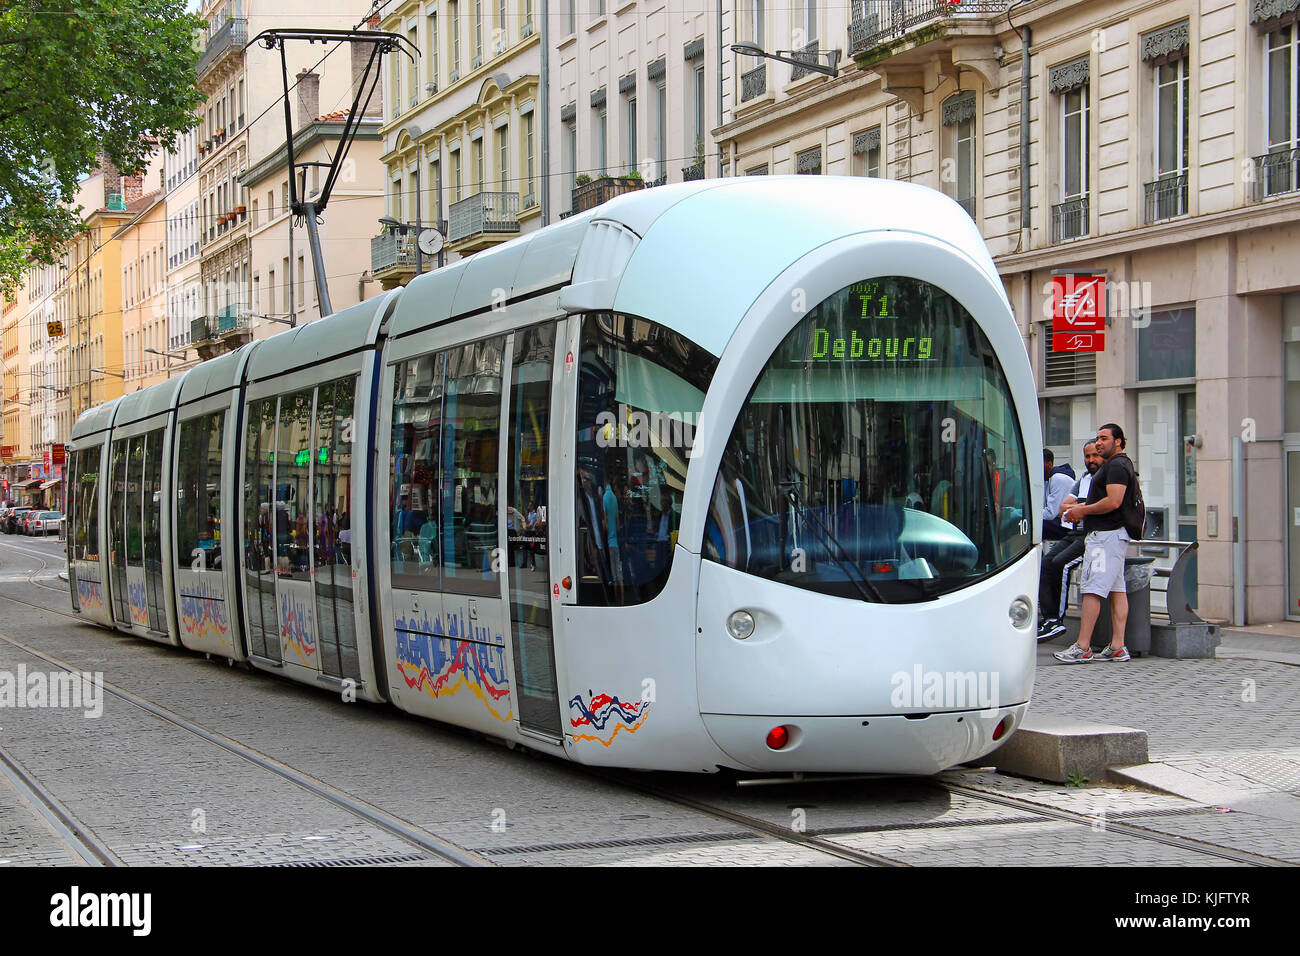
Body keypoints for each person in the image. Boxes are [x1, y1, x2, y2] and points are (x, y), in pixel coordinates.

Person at [1054, 424, 1137, 663]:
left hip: (1105, 536)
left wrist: (1082, 511)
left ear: (1118, 441)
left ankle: (1083, 646)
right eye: (1097, 438)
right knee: (1116, 589)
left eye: (1104, 438)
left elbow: (1113, 501)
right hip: (1111, 536)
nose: (1098, 443)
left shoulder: (1117, 466)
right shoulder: (1119, 465)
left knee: (1091, 588)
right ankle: (1118, 645)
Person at [1038, 441, 1102, 640]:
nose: (1090, 460)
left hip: (1093, 534)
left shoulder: (1105, 477)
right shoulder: (1083, 479)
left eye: (1094, 456)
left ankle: (1057, 619)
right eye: (1087, 456)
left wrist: (1081, 507)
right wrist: (1079, 507)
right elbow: (1062, 508)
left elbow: (1103, 505)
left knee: (1061, 565)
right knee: (1047, 563)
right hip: (1075, 532)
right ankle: (1049, 619)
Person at [1042, 449, 1076, 541]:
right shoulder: (1047, 480)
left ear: (1049, 464)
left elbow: (1050, 514)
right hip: (1060, 521)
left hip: (1069, 524)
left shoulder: (1058, 479)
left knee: (1034, 526)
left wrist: (1026, 515)